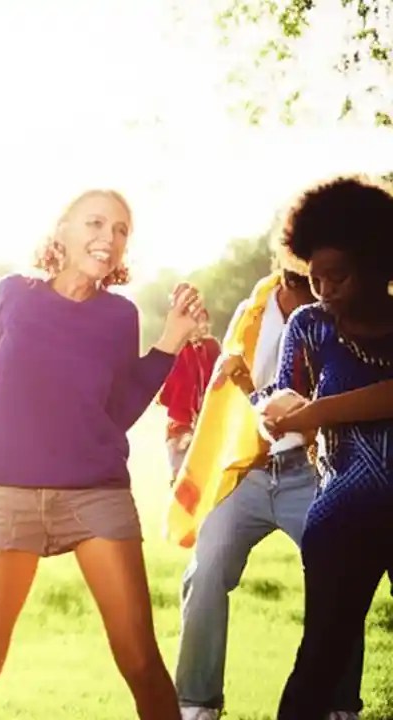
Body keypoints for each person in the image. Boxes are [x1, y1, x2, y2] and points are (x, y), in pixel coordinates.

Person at [0, 189, 204, 720]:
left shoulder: (119, 316)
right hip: (9, 496)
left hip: (95, 496)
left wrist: (171, 339)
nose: (109, 237)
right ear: (62, 229)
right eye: (95, 223)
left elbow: (117, 410)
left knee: (141, 663)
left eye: (121, 230)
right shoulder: (15, 292)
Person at [167, 249, 365, 720]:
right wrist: (228, 372)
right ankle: (196, 704)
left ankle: (339, 705)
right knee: (206, 572)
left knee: (341, 580)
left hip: (312, 471)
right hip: (250, 471)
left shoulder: (344, 315)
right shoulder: (253, 311)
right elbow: (246, 394)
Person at [248, 176, 393, 720]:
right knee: (320, 659)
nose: (325, 289)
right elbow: (285, 399)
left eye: (339, 275)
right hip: (340, 519)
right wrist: (273, 414)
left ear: (375, 265)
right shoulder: (308, 325)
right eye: (315, 277)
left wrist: (314, 412)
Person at [159, 321, 221, 483]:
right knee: (187, 479)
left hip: (198, 424)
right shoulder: (183, 349)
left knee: (193, 481)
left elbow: (166, 396)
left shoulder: (209, 348)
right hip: (188, 424)